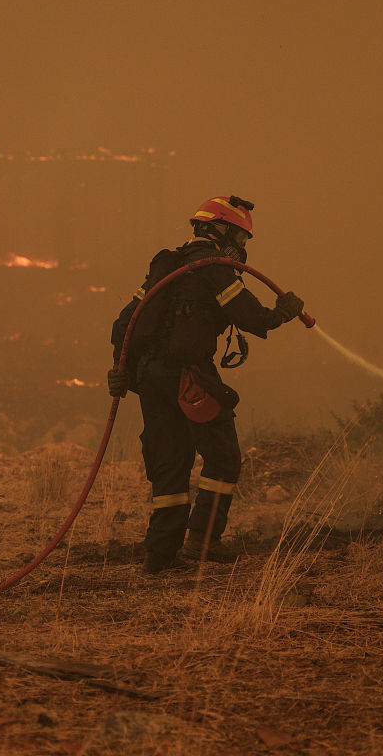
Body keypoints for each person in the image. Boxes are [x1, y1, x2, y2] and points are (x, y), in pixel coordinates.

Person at [108, 196, 305, 574]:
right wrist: (282, 314)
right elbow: (251, 317)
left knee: (170, 465)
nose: (242, 248)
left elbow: (124, 324)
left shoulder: (166, 267)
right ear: (222, 230)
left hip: (150, 379)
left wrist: (120, 372)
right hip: (189, 378)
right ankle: (202, 541)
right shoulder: (216, 269)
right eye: (241, 237)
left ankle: (159, 557)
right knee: (224, 457)